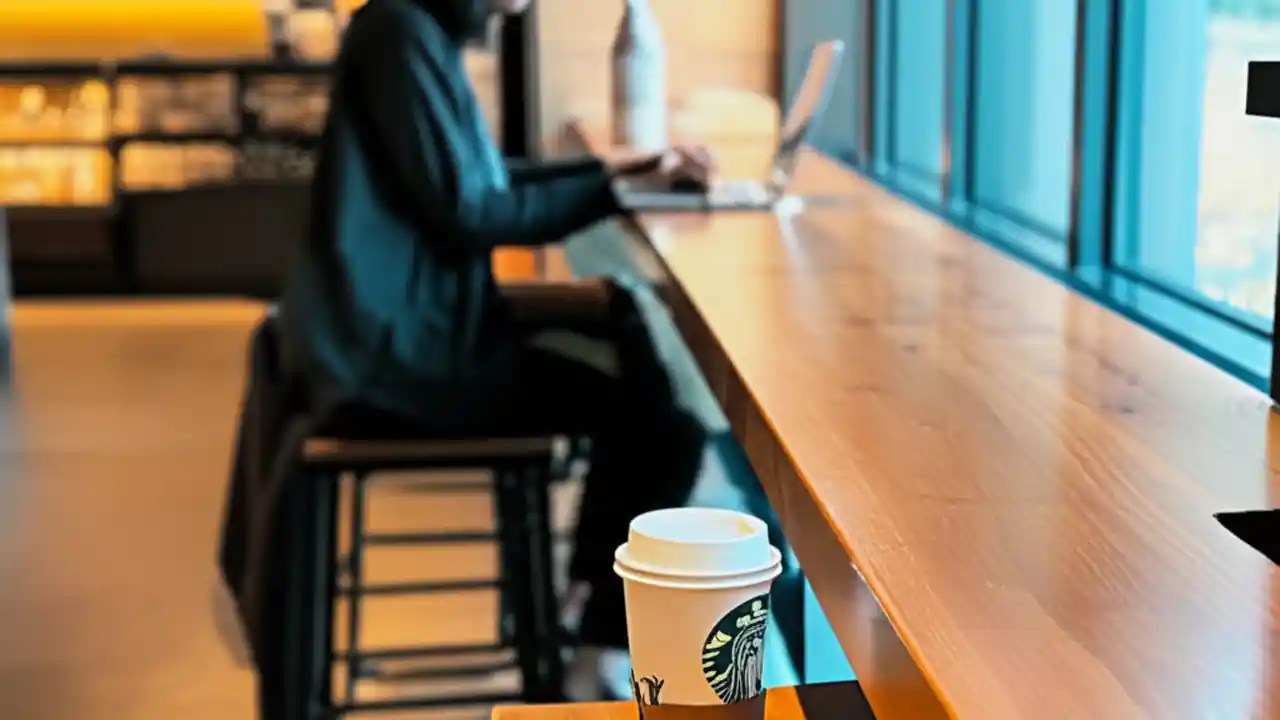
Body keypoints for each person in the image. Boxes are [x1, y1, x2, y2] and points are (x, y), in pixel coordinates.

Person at [279, 0, 717, 697]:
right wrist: (612, 187)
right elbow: (474, 211)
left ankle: (581, 603)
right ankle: (594, 642)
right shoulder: (398, 33)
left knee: (629, 348)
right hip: (400, 362)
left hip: (415, 333)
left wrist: (612, 169)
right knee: (667, 432)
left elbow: (480, 178)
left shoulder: (409, 30)